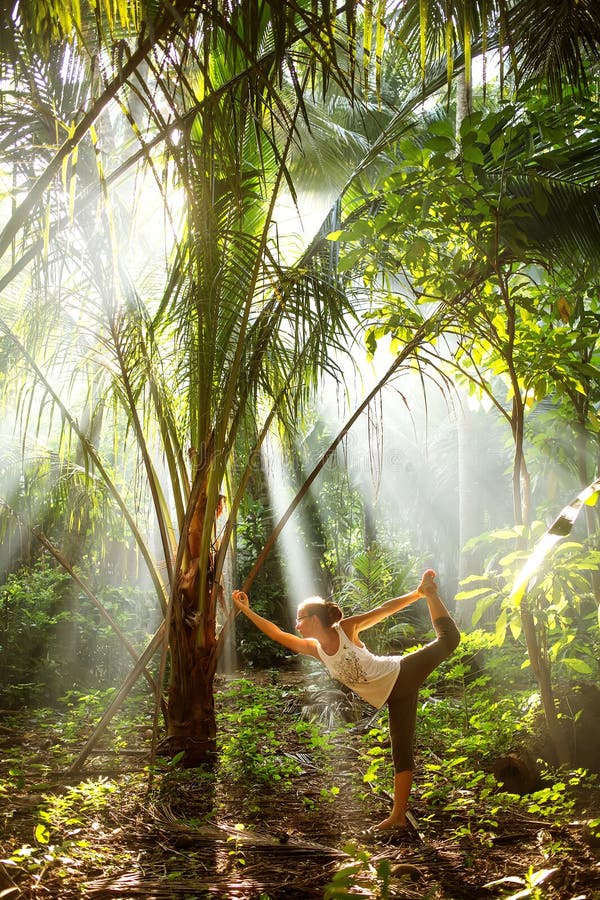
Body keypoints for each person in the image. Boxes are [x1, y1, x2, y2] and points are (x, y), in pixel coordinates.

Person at [232, 568, 460, 832]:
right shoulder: (316, 650)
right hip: (393, 695)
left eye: (299, 619)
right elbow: (277, 634)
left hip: (400, 674)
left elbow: (384, 610)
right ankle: (398, 816)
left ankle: (430, 593)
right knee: (401, 752)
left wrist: (417, 594)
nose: (296, 625)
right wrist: (246, 610)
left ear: (315, 619)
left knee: (449, 639)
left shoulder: (346, 630)